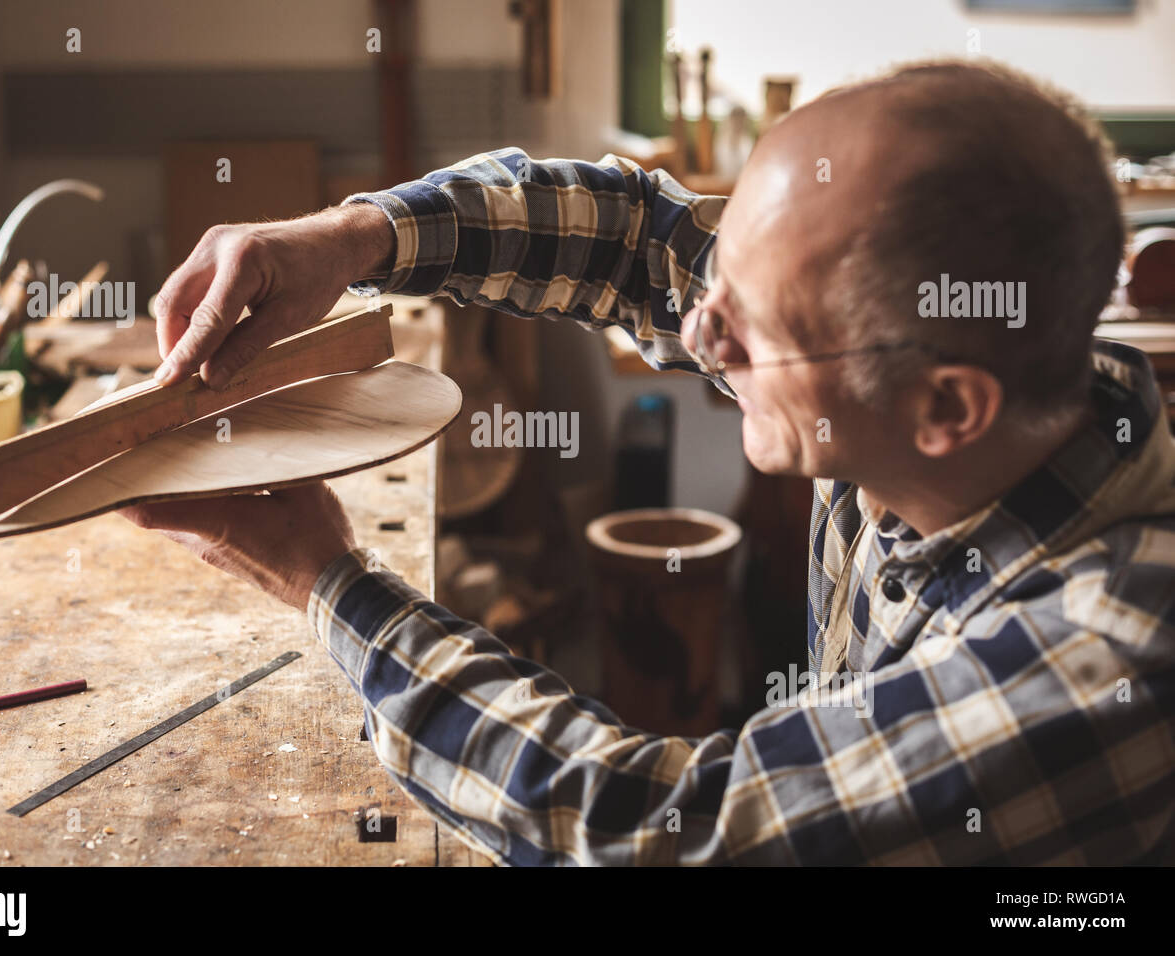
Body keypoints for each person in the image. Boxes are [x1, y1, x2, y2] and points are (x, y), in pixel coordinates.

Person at [124, 60, 1175, 865]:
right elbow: (638, 242)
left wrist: (328, 581)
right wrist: (354, 241)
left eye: (750, 328)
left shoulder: (1104, 665)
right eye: (719, 294)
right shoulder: (953, 398)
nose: (696, 332)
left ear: (944, 406)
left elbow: (656, 827)